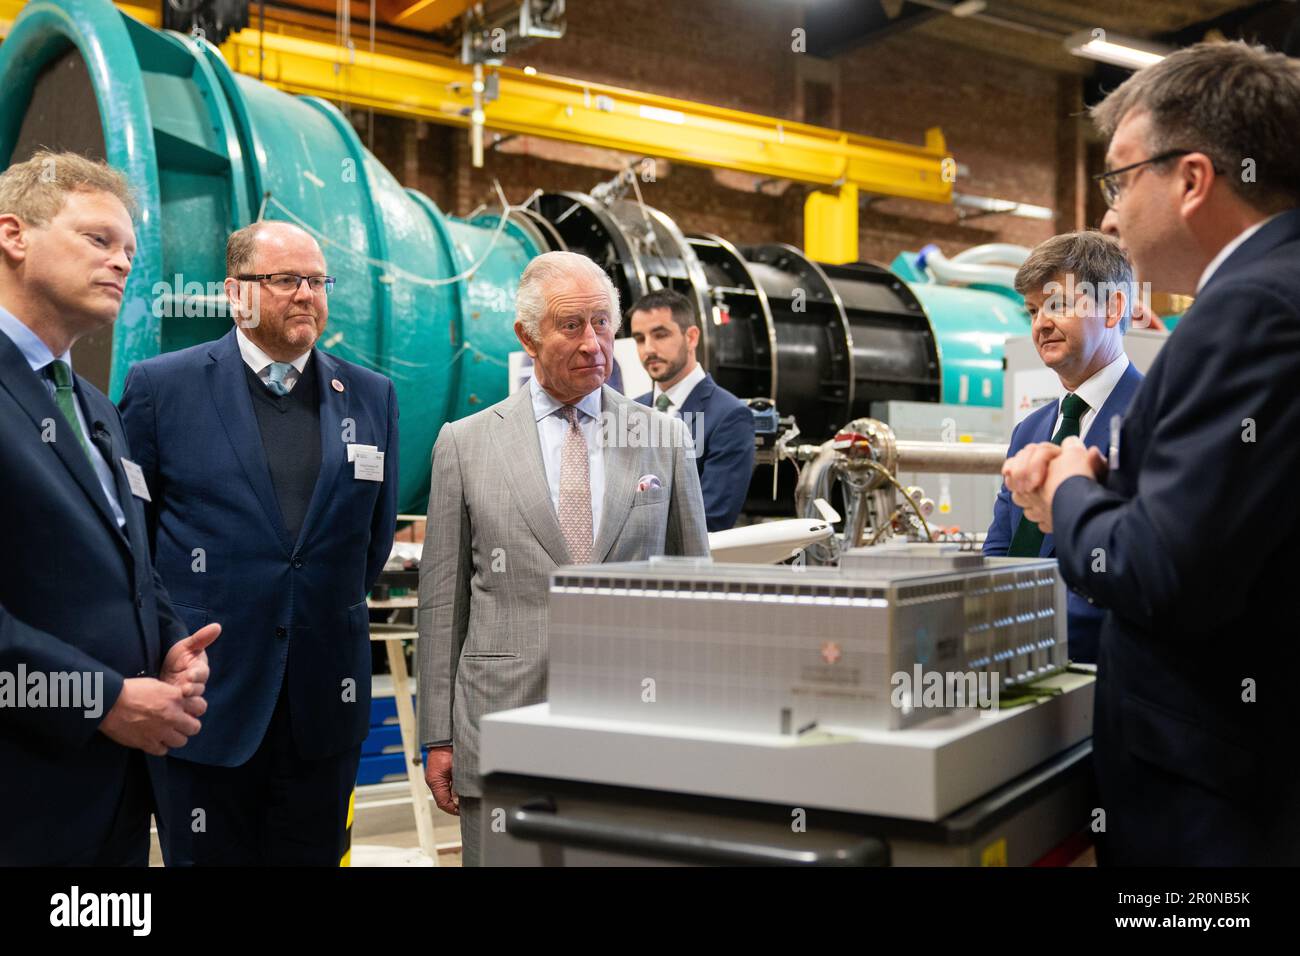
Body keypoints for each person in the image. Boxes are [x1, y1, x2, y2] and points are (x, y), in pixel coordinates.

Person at [1003, 41, 1300, 865]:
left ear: (1194, 179)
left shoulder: (1251, 312)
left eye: (1119, 180)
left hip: (1220, 804)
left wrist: (1070, 489)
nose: (1108, 215)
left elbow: (1160, 574)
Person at [119, 220, 399, 865]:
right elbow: (134, 539)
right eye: (285, 280)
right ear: (235, 292)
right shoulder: (163, 388)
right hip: (207, 699)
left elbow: (371, 541)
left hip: (324, 705)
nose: (306, 294)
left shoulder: (370, 394)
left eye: (317, 281)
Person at [417, 251, 710, 866]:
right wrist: (438, 735)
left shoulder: (662, 437)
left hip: (634, 716)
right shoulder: (466, 444)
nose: (593, 344)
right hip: (502, 717)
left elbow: (694, 587)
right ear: (526, 336)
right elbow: (443, 602)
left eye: (602, 323)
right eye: (569, 326)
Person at [0, 151, 215, 865]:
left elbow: (129, 562)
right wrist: (98, 699)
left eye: (129, 250)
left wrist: (170, 646)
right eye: (98, 240)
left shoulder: (93, 405)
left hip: (112, 795)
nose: (122, 263)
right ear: (13, 235)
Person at [984, 231, 1143, 663]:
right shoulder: (1029, 430)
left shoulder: (1153, 418)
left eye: (1058, 305)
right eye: (1033, 311)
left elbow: (1142, 571)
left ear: (1113, 309)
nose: (1041, 324)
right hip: (1012, 657)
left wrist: (1025, 627)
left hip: (1099, 668)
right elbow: (1001, 550)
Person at [629, 289, 755, 531]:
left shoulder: (729, 416)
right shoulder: (630, 410)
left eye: (660, 335)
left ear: (692, 337)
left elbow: (711, 519)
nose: (648, 349)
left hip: (684, 566)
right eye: (639, 339)